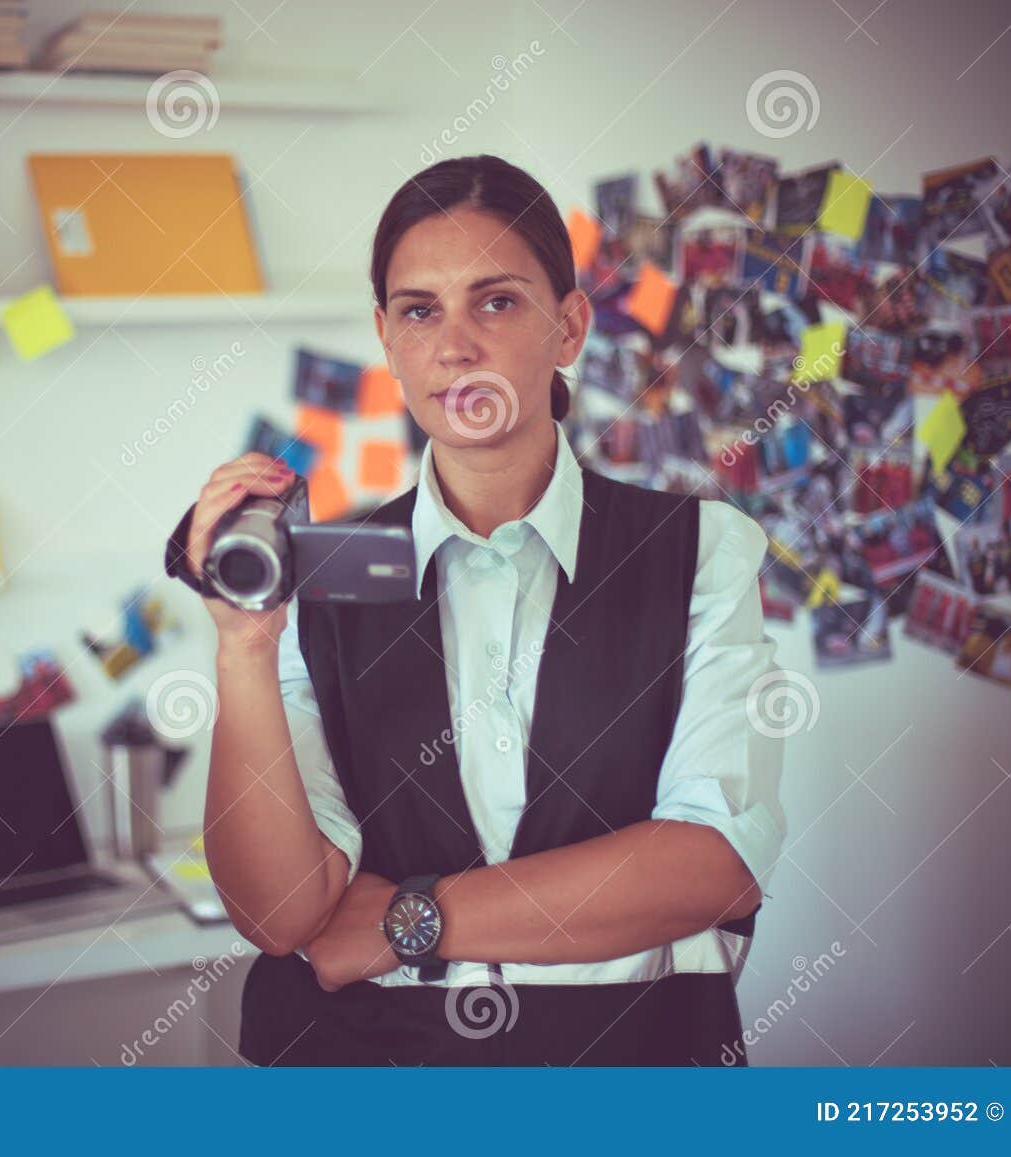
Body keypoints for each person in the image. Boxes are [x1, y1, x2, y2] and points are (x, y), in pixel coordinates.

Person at [162, 154, 787, 1066]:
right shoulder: (318, 575)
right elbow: (278, 910)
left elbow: (712, 862)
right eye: (419, 310)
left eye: (495, 302)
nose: (454, 345)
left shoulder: (701, 550)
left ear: (567, 325)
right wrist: (244, 649)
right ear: (387, 336)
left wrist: (411, 919)